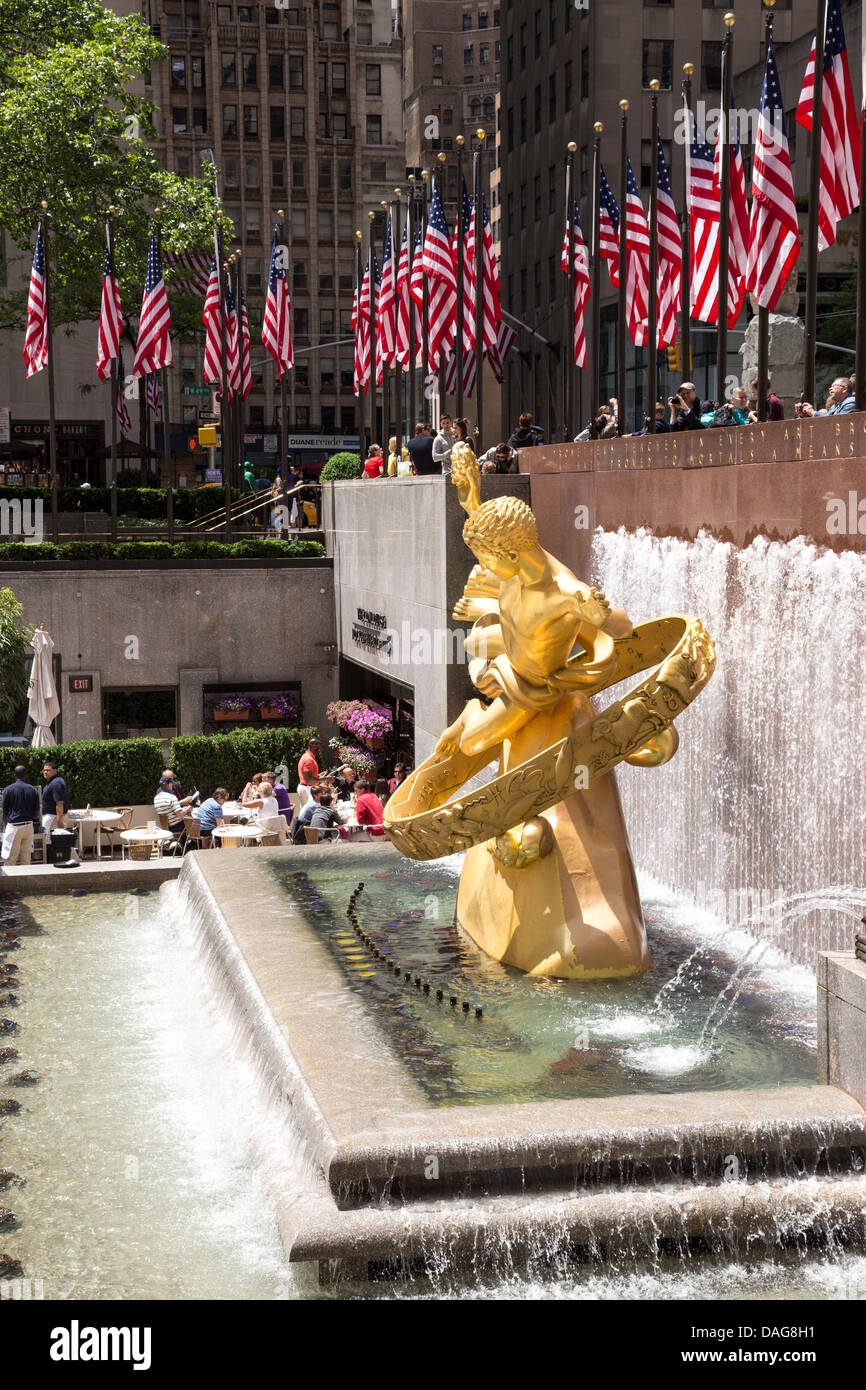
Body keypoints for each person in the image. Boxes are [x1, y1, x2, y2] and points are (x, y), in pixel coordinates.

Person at [2, 767, 40, 866]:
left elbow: (4, 811)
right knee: (26, 858)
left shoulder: (8, 790)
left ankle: (9, 881)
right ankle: (26, 880)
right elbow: (36, 813)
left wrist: (4, 826)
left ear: (14, 775)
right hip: (28, 826)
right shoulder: (33, 790)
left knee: (10, 858)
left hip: (14, 827)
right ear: (26, 775)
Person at [153, 774, 196, 843]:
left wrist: (183, 809)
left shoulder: (156, 798)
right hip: (177, 826)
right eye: (171, 784)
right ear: (169, 785)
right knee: (197, 821)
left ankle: (186, 842)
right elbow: (180, 815)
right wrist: (188, 809)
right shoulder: (171, 797)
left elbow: (169, 811)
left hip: (167, 825)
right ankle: (196, 844)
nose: (172, 785)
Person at [41, 760, 68, 836]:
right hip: (50, 815)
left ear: (55, 771)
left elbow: (59, 803)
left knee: (43, 837)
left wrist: (59, 822)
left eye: (48, 770)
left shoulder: (56, 783)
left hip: (52, 816)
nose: (45, 772)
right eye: (44, 770)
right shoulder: (53, 781)